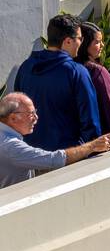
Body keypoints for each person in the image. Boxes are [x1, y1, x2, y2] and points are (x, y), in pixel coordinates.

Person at [14, 14, 101, 150]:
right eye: (79, 38)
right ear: (67, 41)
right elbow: (90, 122)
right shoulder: (77, 72)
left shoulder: (25, 67)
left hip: (31, 156)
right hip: (68, 157)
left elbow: (17, 112)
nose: (81, 42)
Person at [0, 93, 110, 189]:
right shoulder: (11, 147)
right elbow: (54, 159)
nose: (36, 117)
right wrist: (92, 146)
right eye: (31, 114)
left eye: (35, 112)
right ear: (13, 118)